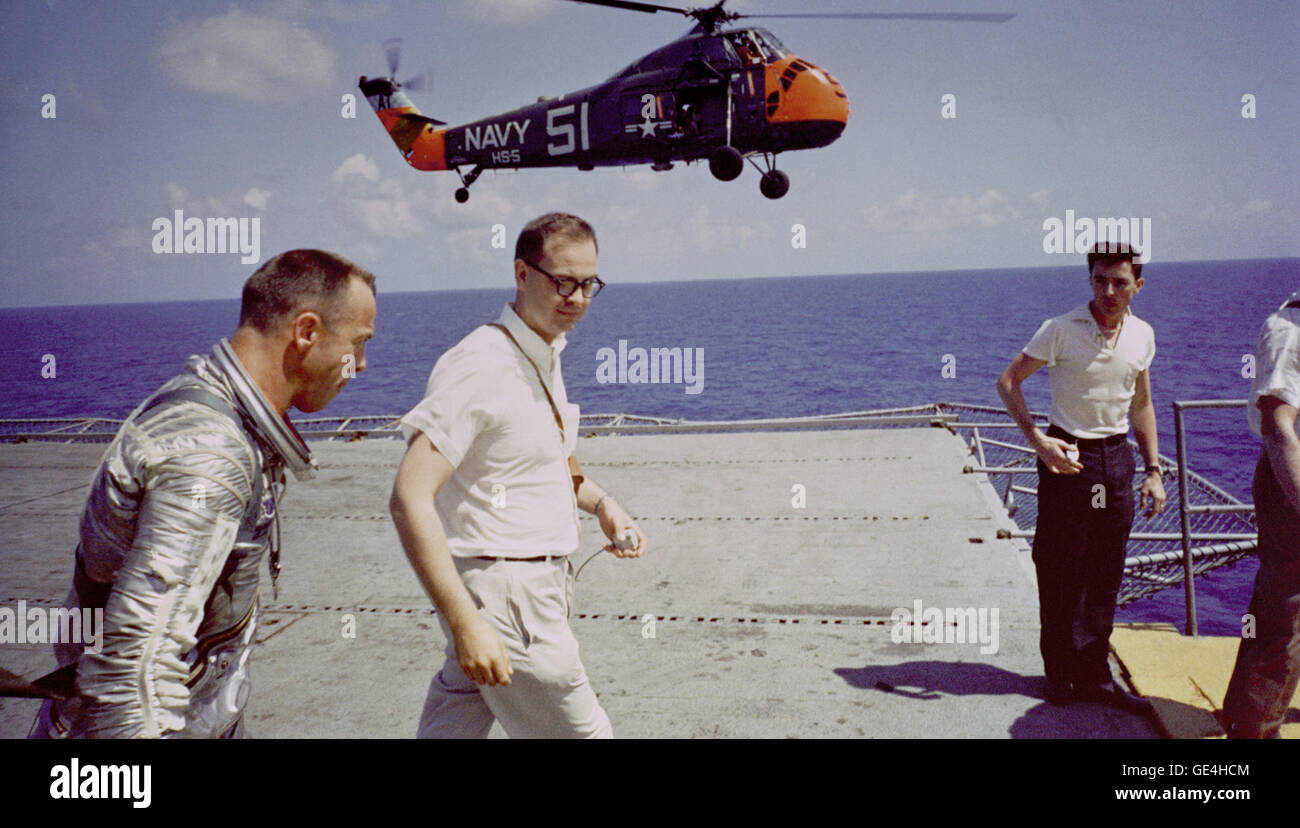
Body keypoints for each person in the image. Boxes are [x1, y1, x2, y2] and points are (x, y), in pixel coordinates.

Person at [29, 250, 377, 738]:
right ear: (306, 332)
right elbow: (133, 673)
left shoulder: (214, 414)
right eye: (358, 345)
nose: (360, 365)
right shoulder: (211, 457)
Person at [390, 212, 647, 739]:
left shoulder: (542, 349)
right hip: (508, 596)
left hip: (523, 587)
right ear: (522, 274)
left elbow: (551, 460)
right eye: (562, 281)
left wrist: (602, 504)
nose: (576, 297)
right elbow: (409, 496)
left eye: (587, 284)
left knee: (454, 724)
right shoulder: (481, 365)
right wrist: (466, 623)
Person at [995, 241, 1165, 715]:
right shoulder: (1060, 330)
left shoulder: (1143, 336)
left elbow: (1142, 404)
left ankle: (1094, 675)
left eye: (1119, 282)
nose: (1108, 291)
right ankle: (1060, 675)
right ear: (1089, 281)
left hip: (1117, 459)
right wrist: (1038, 442)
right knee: (1059, 566)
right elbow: (1009, 381)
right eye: (1099, 281)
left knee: (1106, 571)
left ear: (1138, 285)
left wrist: (1153, 470)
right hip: (1068, 456)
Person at [1221, 289, 1300, 738]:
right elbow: (1277, 427)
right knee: (1285, 611)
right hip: (1291, 478)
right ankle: (1254, 729)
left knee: (1279, 605)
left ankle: (1243, 714)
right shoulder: (1290, 331)